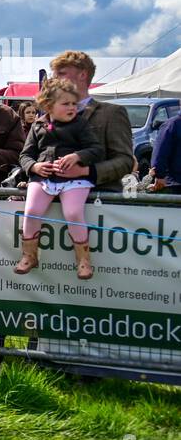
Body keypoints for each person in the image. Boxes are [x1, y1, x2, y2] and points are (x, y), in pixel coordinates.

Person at [13, 77, 103, 279]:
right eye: (66, 104)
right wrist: (34, 166)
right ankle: (29, 255)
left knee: (72, 213)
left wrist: (78, 156)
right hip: (42, 178)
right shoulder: (37, 126)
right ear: (48, 106)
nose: (72, 107)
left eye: (74, 103)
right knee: (32, 211)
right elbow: (24, 155)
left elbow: (97, 150)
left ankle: (83, 260)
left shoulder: (81, 125)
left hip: (74, 179)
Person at [45, 51, 134, 191]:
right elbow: (29, 154)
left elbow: (125, 162)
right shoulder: (48, 115)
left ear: (82, 75)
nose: (54, 78)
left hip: (97, 200)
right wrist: (35, 169)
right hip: (50, 198)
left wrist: (85, 171)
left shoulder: (111, 113)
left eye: (61, 73)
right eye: (54, 74)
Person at [151, 107, 181, 195]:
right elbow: (161, 151)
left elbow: (160, 150)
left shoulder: (172, 124)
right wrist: (159, 175)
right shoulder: (172, 124)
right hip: (175, 183)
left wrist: (159, 175)